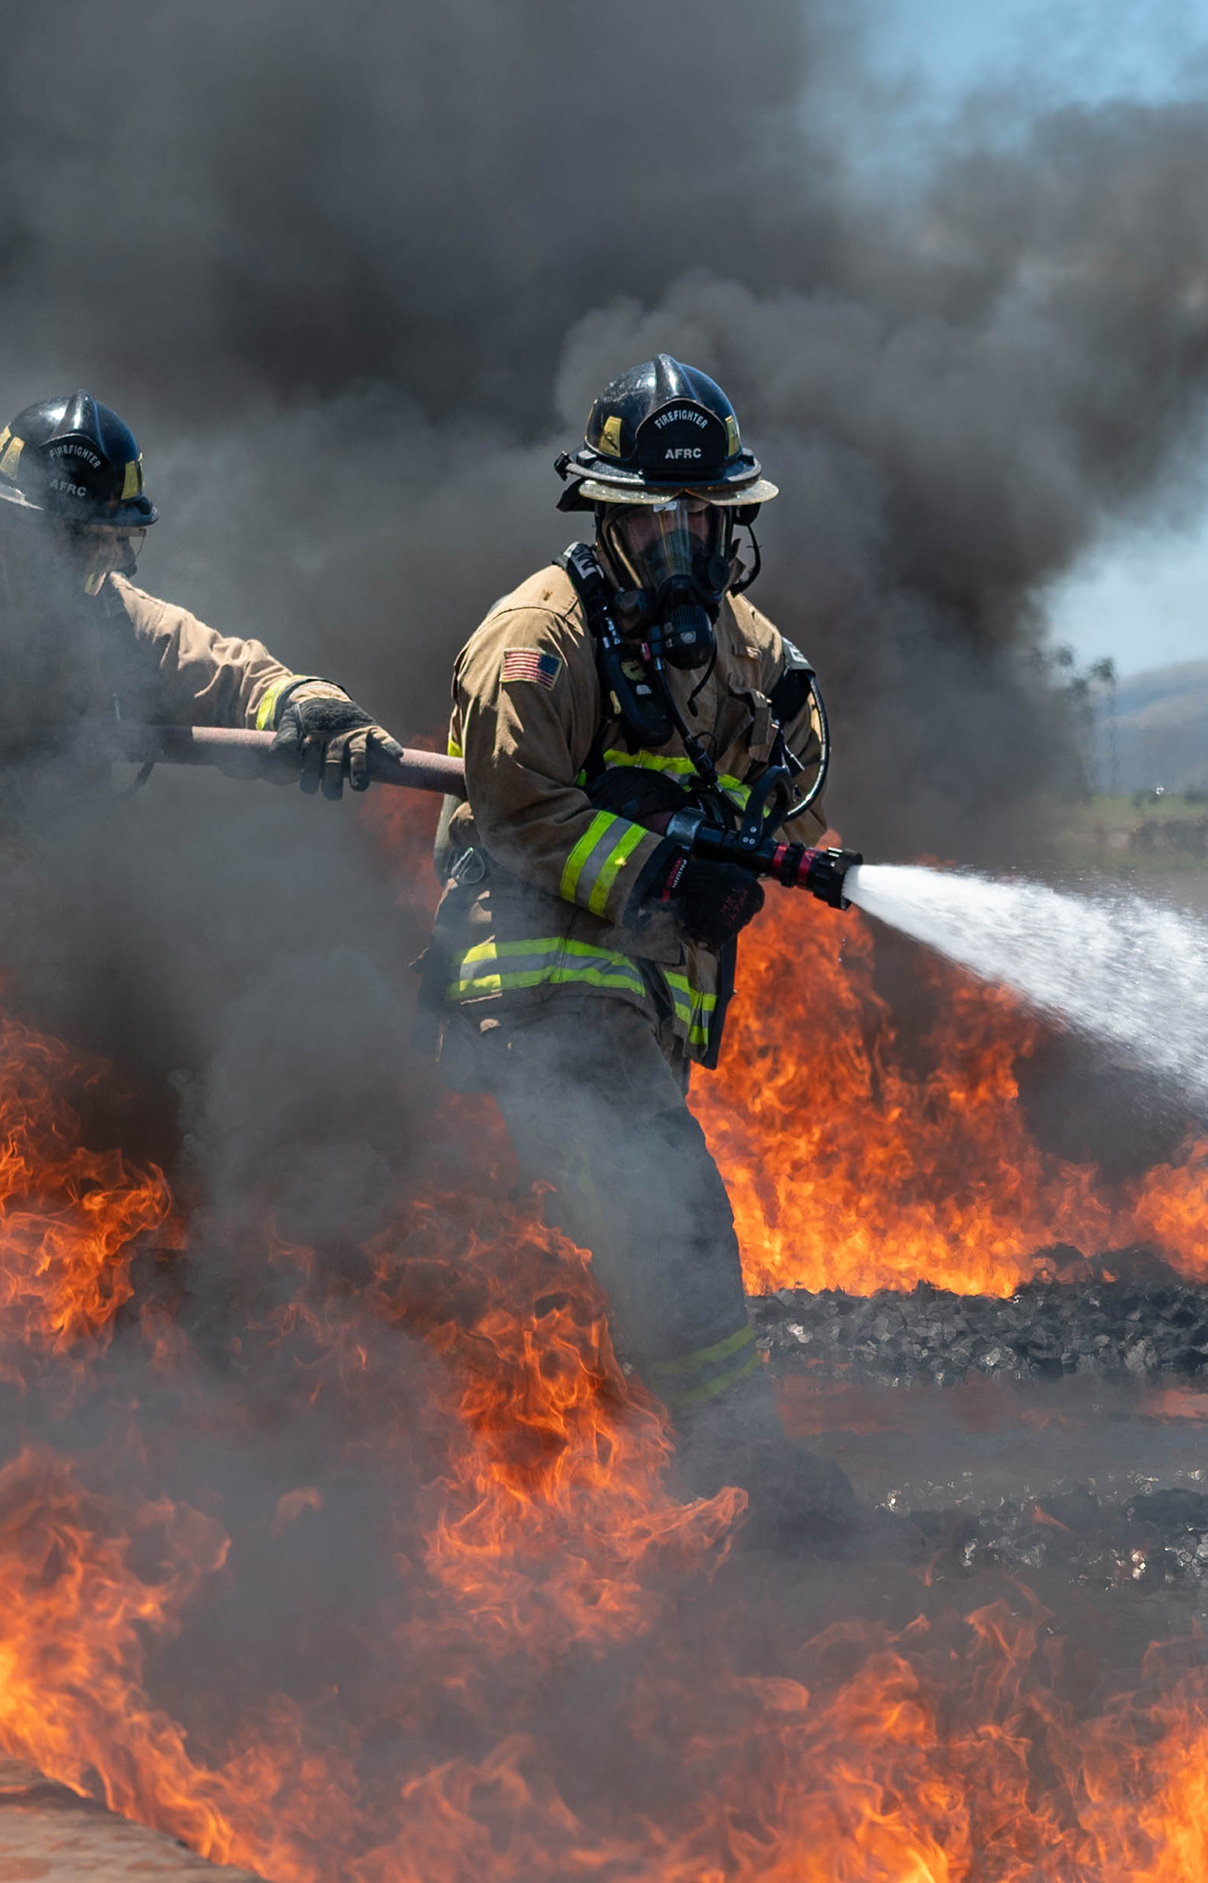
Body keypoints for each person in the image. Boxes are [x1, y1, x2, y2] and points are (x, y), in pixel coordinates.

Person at [427, 354, 849, 1535]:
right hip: (530, 977)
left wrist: (765, 836)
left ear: (732, 524)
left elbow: (799, 790)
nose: (678, 545)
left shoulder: (751, 648)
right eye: (651, 521)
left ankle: (601, 1493)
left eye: (700, 520)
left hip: (641, 998)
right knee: (670, 1203)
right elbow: (515, 807)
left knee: (578, 1245)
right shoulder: (538, 640)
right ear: (604, 517)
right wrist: (667, 866)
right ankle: (738, 1461)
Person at [0, 390, 400, 804]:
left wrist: (306, 700)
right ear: (22, 532)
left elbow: (223, 671)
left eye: (118, 541)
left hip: (51, 913)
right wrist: (5, 793)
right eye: (92, 542)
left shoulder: (107, 614)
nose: (111, 565)